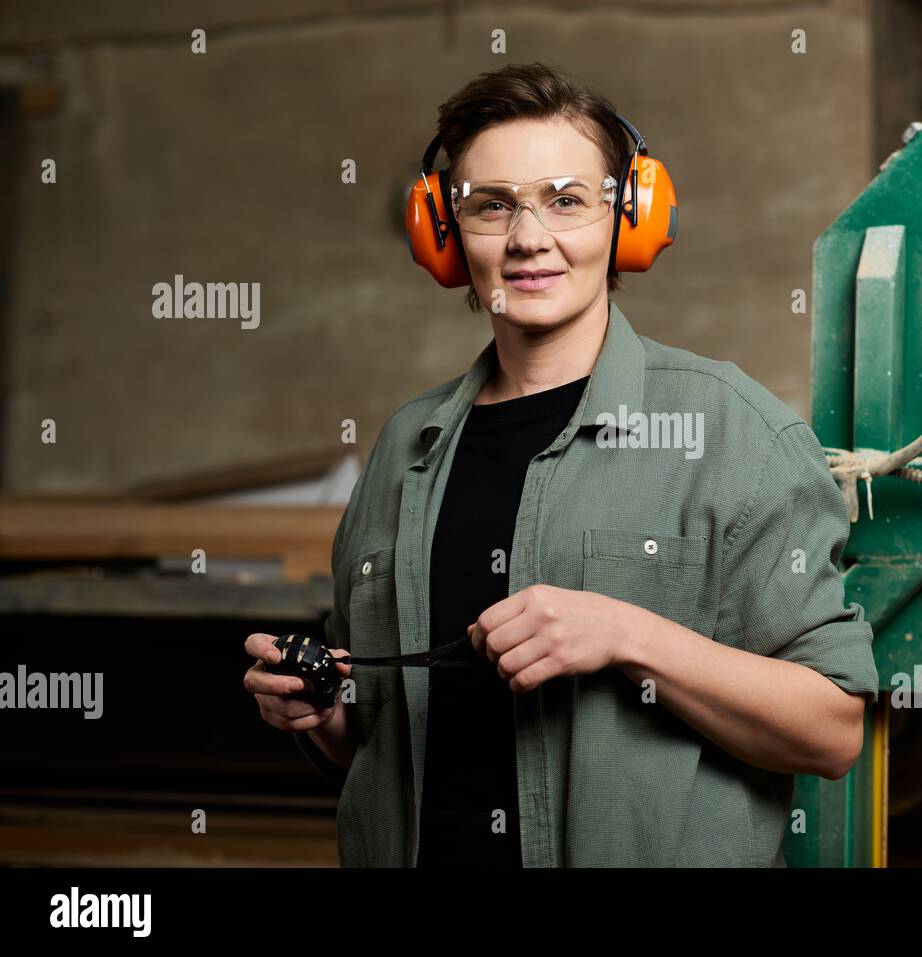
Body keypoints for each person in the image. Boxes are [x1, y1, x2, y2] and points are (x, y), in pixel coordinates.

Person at [243, 61, 877, 867]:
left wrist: (626, 635)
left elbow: (830, 730)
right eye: (492, 206)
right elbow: (381, 748)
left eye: (567, 201)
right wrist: (316, 711)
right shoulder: (407, 446)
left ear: (630, 218)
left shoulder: (731, 431)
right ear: (441, 233)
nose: (528, 238)